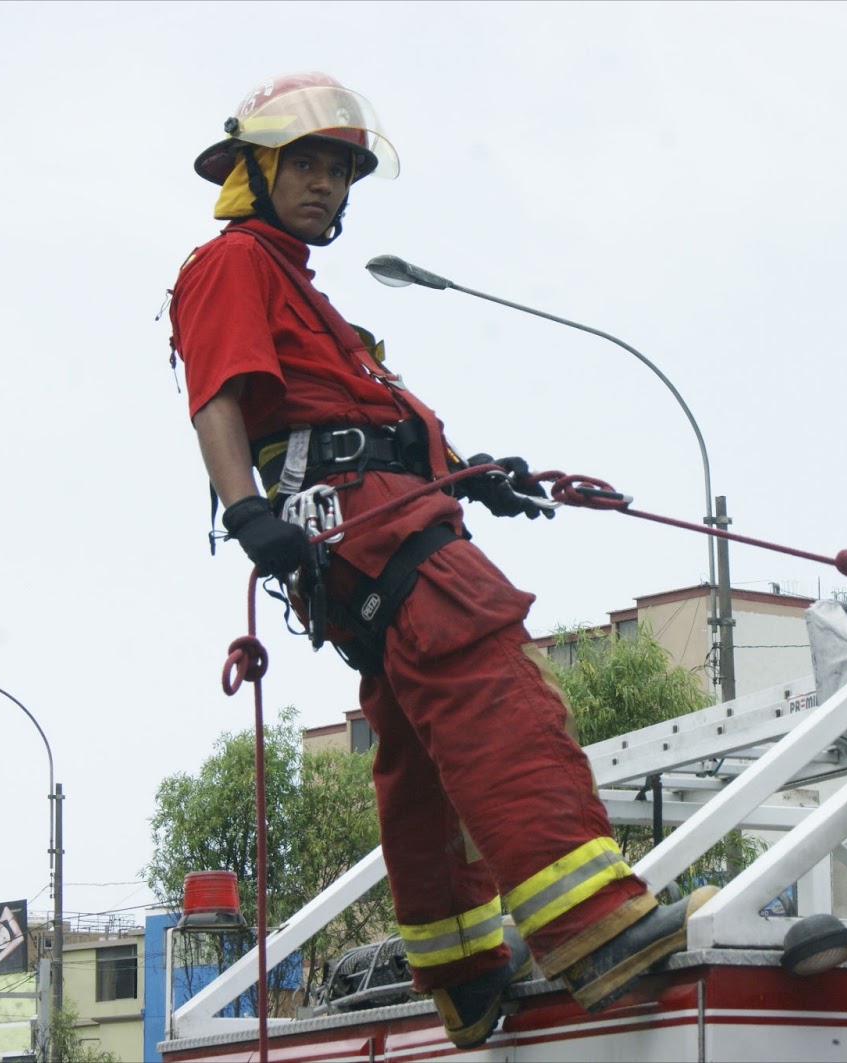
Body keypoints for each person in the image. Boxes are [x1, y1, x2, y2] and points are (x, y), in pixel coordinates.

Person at [167, 71, 715, 1048]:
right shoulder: (233, 263)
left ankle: (461, 971)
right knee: (490, 685)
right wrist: (246, 516)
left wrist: (470, 474)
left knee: (418, 748)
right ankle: (593, 929)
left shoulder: (302, 292)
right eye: (308, 165)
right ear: (253, 167)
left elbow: (356, 419)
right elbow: (217, 395)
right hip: (362, 525)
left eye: (341, 171)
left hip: (358, 525)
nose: (328, 187)